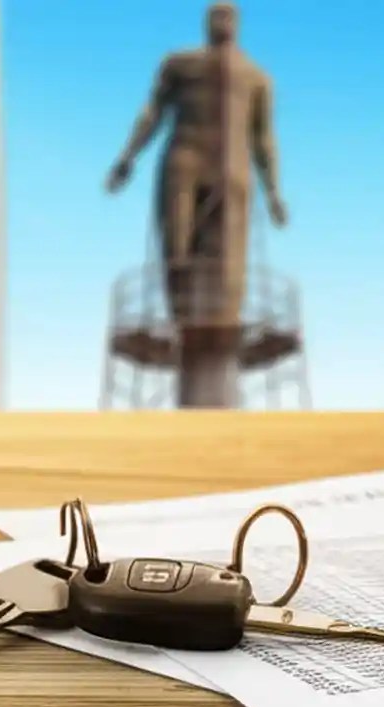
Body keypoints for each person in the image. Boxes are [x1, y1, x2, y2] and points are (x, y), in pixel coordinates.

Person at [105, 1, 287, 407]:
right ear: (206, 24)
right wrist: (127, 158)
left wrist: (274, 191)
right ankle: (184, 321)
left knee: (229, 261)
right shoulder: (179, 65)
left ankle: (220, 328)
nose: (222, 21)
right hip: (184, 159)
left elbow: (264, 139)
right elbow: (153, 112)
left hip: (234, 171)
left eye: (229, 15)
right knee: (178, 246)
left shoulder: (256, 78)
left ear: (238, 25)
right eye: (215, 15)